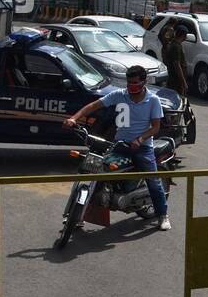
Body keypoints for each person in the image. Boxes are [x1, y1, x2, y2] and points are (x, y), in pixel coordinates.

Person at [65, 65, 170, 231]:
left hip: (142, 148)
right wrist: (74, 118)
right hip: (119, 146)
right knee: (99, 173)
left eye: (135, 82)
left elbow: (156, 127)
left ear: (144, 81)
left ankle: (163, 215)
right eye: (129, 82)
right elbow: (93, 106)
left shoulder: (153, 100)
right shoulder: (120, 95)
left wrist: (140, 139)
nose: (131, 86)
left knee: (153, 181)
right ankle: (80, 215)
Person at [164, 24, 190, 96]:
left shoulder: (176, 44)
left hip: (176, 79)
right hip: (176, 80)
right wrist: (183, 82)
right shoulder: (175, 47)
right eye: (186, 35)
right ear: (183, 35)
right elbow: (177, 65)